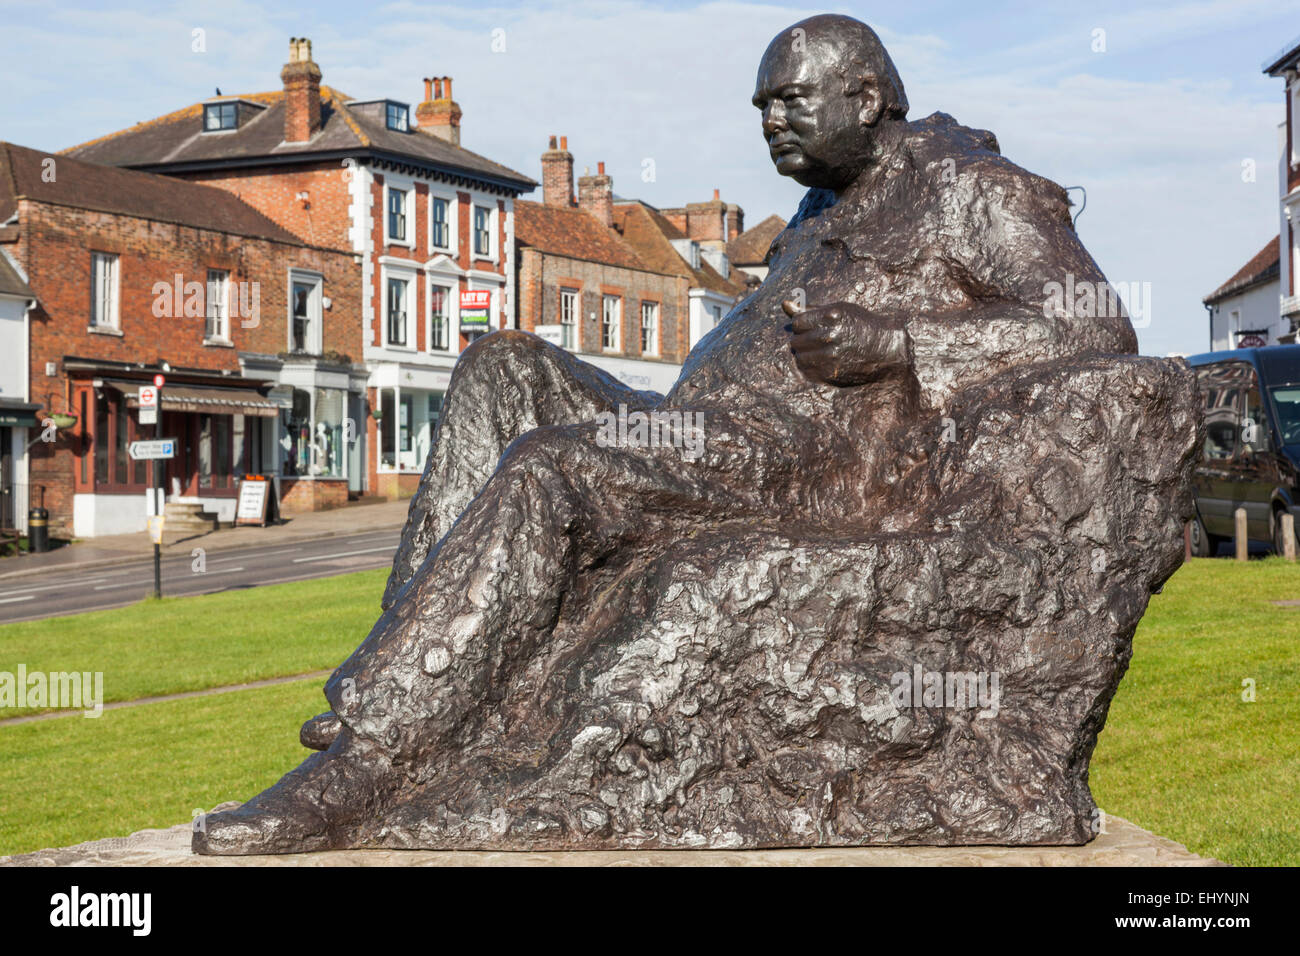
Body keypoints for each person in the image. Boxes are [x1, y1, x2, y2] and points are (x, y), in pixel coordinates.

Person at [196, 13, 1136, 853]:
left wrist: (898, 341)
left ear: (869, 95)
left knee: (554, 468)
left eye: (791, 99)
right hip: (703, 431)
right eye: (762, 105)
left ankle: (367, 763)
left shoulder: (973, 189)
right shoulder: (820, 206)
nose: (771, 121)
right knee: (501, 367)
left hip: (802, 458)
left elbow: (1094, 322)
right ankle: (394, 675)